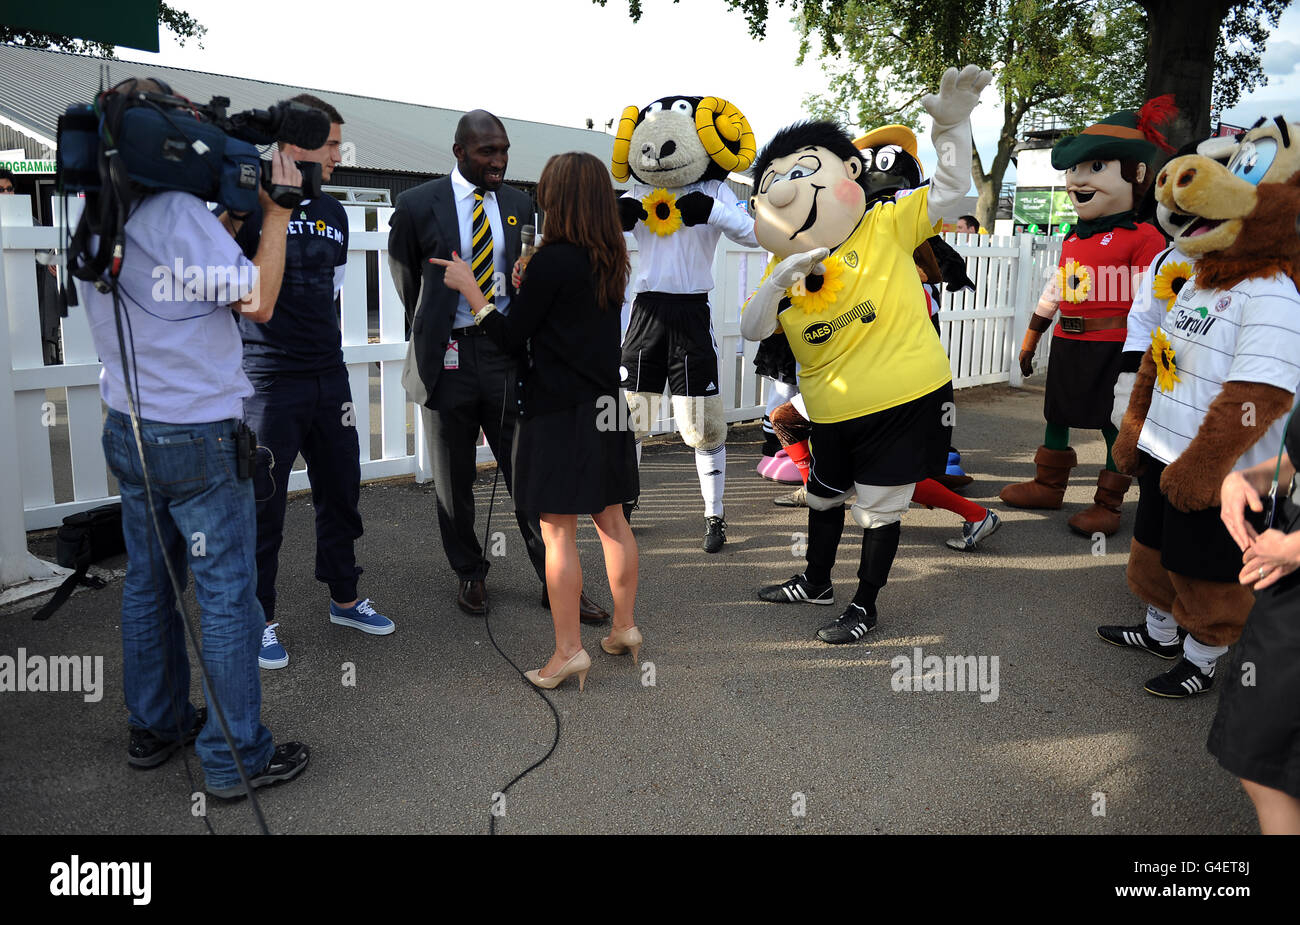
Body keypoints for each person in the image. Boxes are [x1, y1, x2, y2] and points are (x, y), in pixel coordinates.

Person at [79, 77, 308, 798]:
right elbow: (258, 299)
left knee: (150, 580)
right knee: (228, 593)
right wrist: (275, 217)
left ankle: (156, 724)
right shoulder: (175, 211)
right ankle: (237, 754)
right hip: (197, 438)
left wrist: (234, 225)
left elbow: (196, 279)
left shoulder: (99, 210)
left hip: (132, 427)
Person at [741, 65, 993, 645]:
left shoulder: (884, 224)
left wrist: (952, 132)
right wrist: (780, 282)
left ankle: (866, 605)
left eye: (803, 172)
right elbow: (754, 328)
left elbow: (951, 193)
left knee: (880, 507)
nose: (784, 188)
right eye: (774, 180)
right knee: (823, 492)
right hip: (831, 410)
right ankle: (816, 580)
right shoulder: (784, 270)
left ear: (852, 172)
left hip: (902, 399)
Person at [388, 110, 609, 622]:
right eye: (488, 151)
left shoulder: (518, 203)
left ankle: (554, 580)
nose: (499, 161)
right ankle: (470, 571)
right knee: (453, 477)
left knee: (529, 473)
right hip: (447, 358)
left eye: (504, 151)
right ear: (459, 151)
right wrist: (439, 325)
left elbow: (529, 273)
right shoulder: (417, 205)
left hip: (507, 353)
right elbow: (406, 284)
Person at [432, 151, 640, 690]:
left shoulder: (553, 260)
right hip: (607, 406)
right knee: (612, 520)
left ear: (559, 198)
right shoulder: (611, 255)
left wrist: (470, 288)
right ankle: (624, 628)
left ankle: (568, 651)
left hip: (558, 410)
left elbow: (508, 336)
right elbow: (570, 321)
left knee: (557, 531)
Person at [224, 94, 394, 671]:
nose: (340, 157)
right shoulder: (246, 203)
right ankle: (259, 619)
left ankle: (345, 598)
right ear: (294, 147)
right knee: (262, 506)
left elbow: (333, 289)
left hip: (329, 375)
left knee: (340, 489)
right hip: (266, 380)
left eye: (340, 145)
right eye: (331, 146)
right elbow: (232, 294)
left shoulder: (336, 212)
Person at [1211, 408, 1300, 833]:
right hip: (1283, 578)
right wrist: (1250, 478)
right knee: (1265, 761)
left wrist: (1296, 548)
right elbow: (1295, 462)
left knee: (1268, 760)